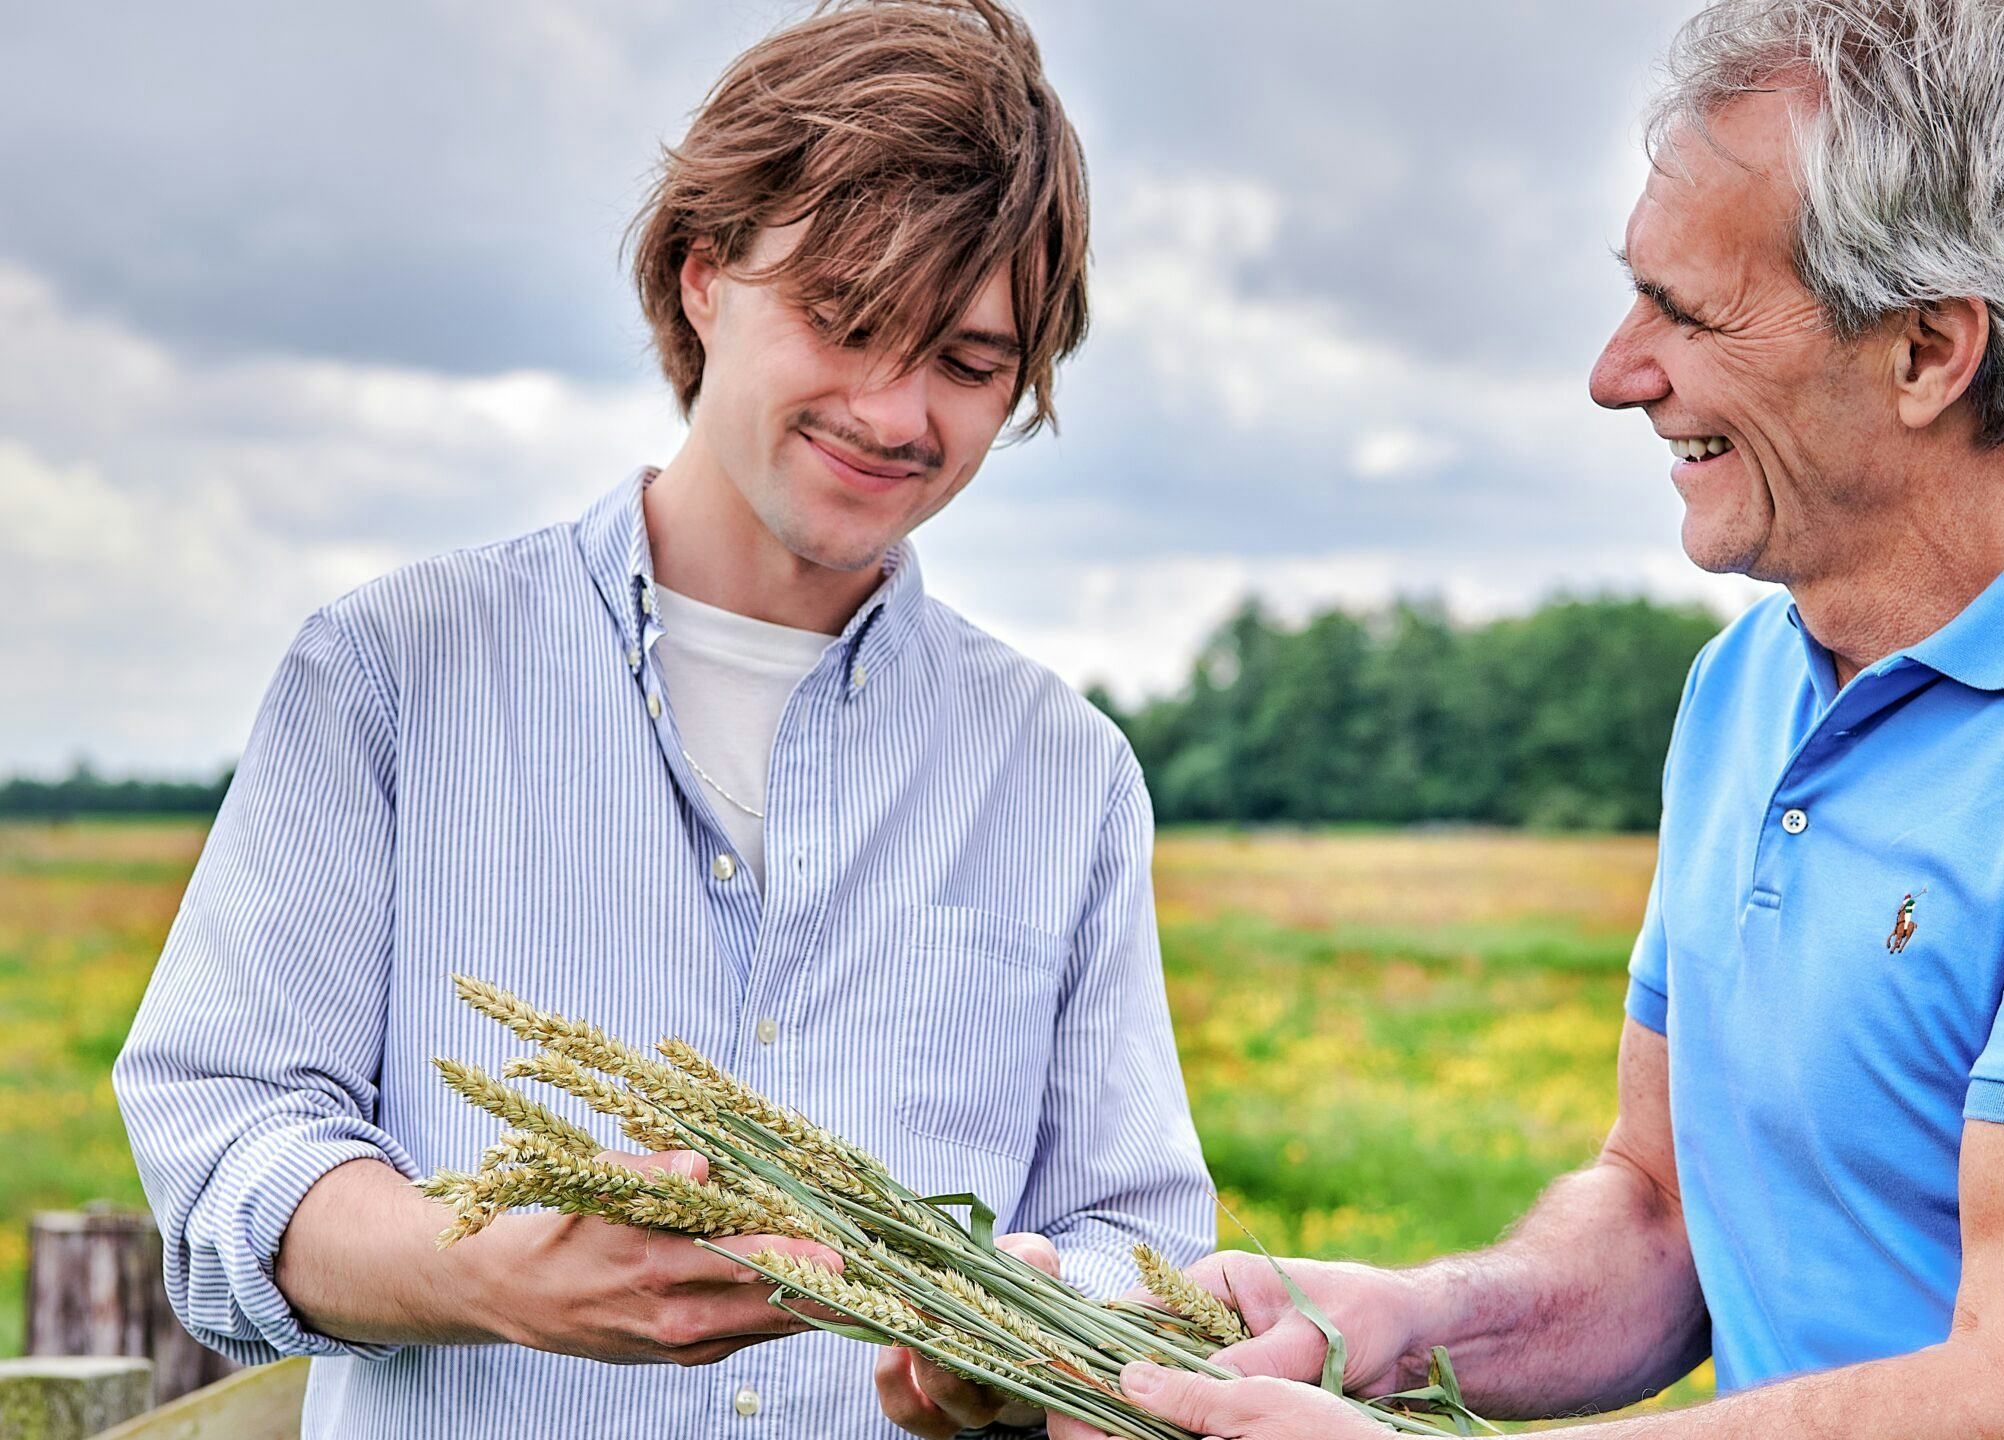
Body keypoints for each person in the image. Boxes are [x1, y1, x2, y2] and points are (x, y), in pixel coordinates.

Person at [1012, 2, 2004, 1438]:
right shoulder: (1748, 687)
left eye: (1687, 311)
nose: (1618, 372)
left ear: (1930, 351)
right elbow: (1665, 1214)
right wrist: (1398, 1324)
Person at [112, 3, 1213, 1435]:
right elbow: (226, 1149)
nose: (895, 410)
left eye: (968, 361)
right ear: (704, 278)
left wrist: (1033, 1328)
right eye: (846, 318)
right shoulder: (394, 673)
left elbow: (1141, 1238)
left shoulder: (1066, 775)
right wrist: (487, 1272)